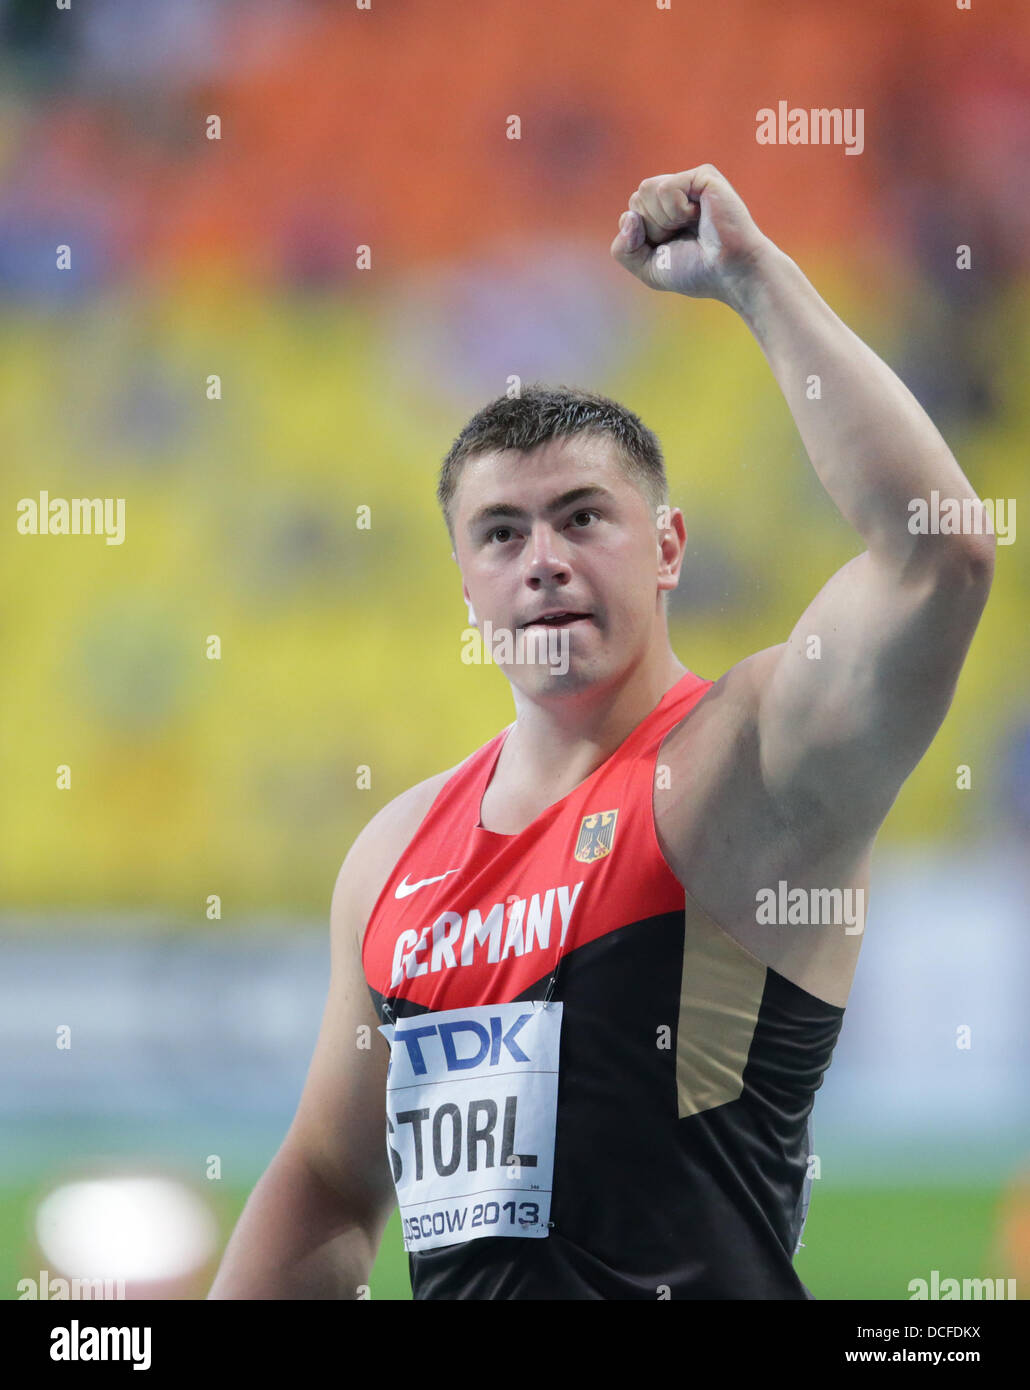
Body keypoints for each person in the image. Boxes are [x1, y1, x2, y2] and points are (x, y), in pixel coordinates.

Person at [208, 164, 995, 1300]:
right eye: (500, 533)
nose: (542, 560)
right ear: (464, 583)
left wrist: (753, 277)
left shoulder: (744, 765)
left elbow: (938, 555)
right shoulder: (391, 857)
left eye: (583, 517)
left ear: (667, 546)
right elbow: (331, 1179)